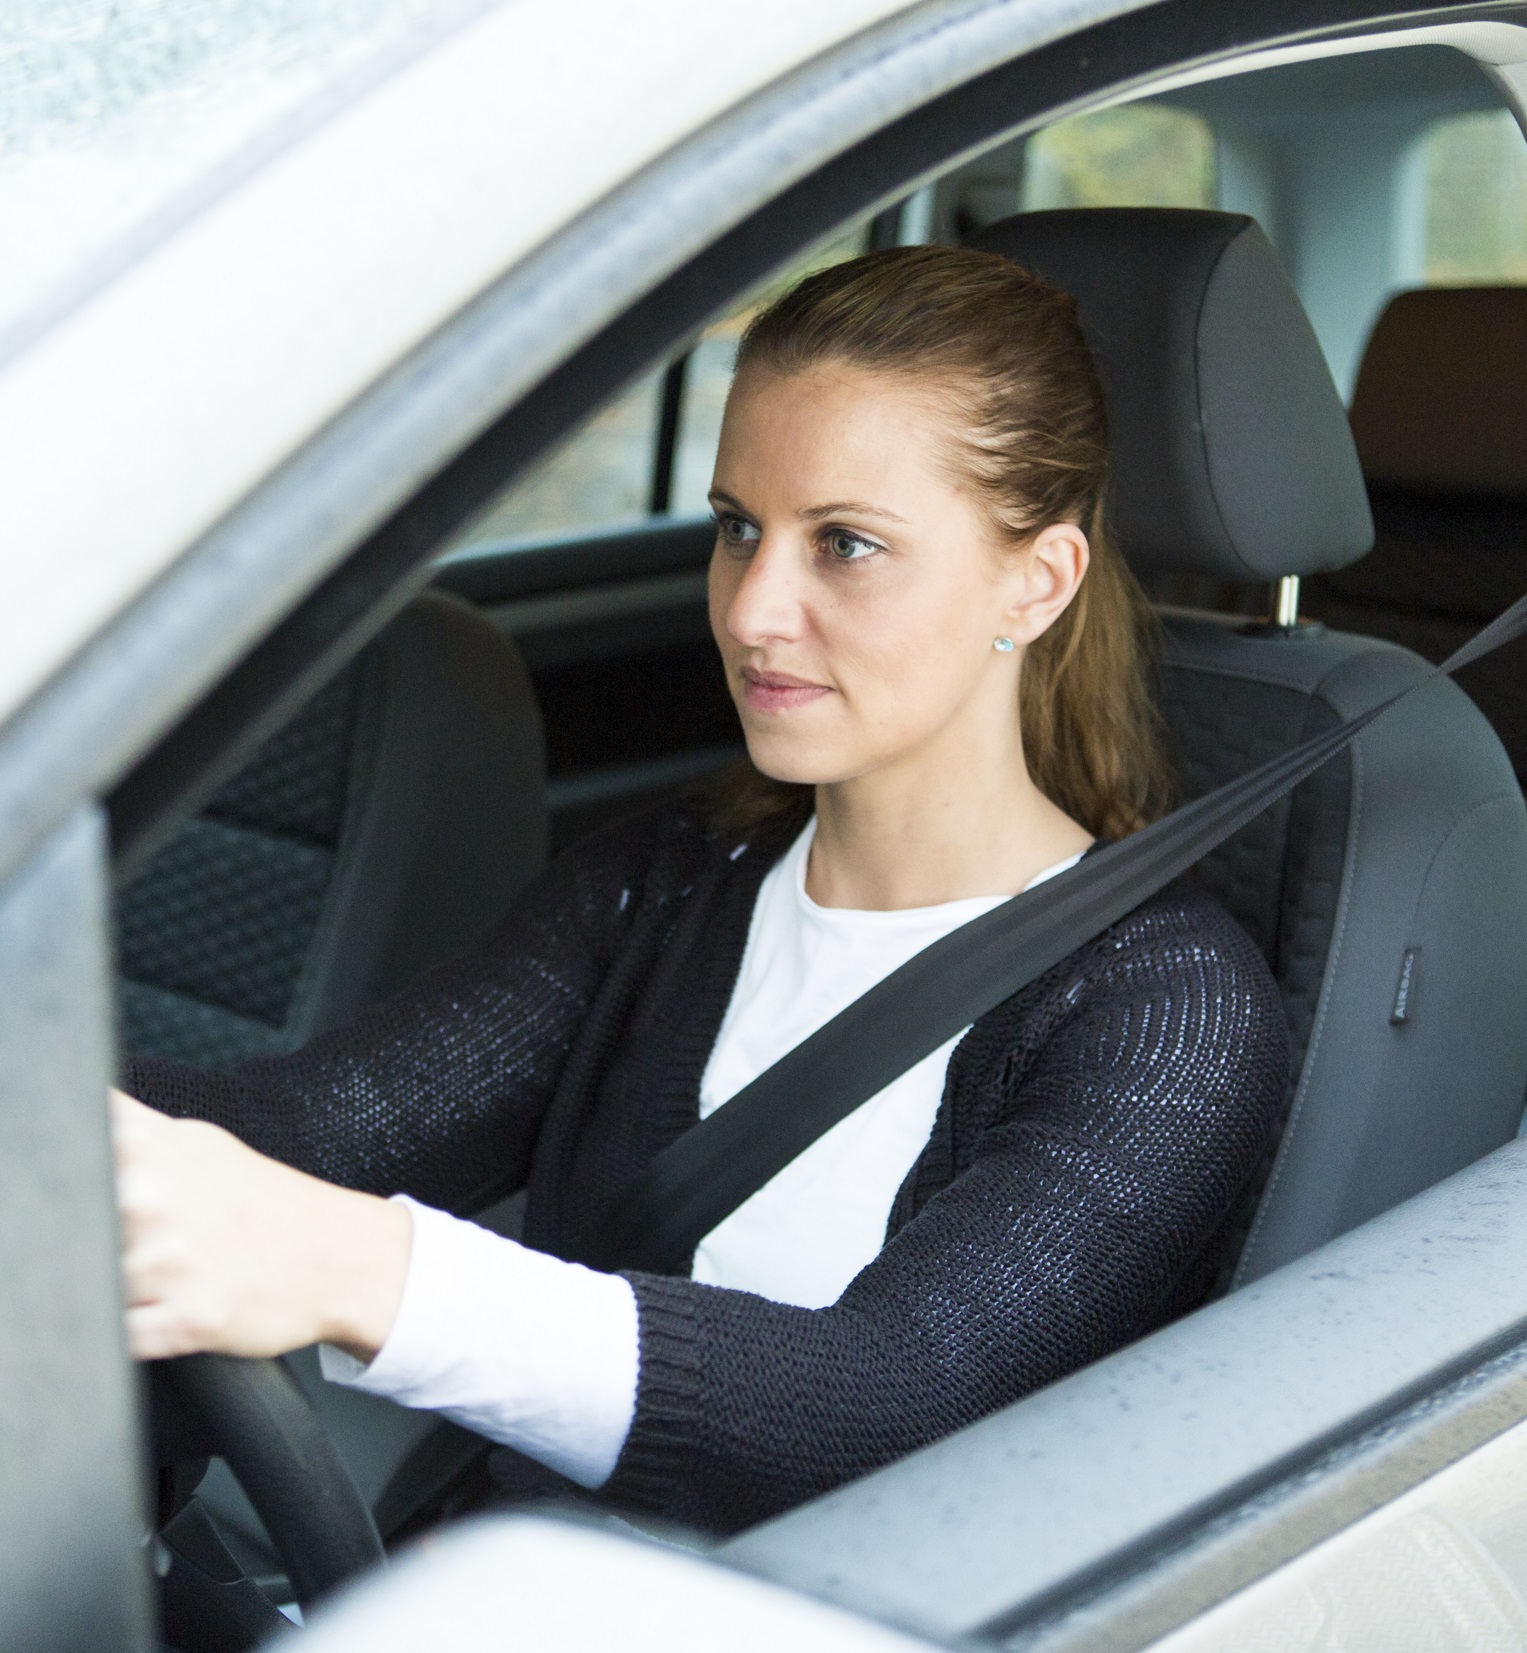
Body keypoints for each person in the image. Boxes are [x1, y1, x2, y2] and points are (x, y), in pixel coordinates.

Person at [111, 244, 1290, 1535]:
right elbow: (318, 1127)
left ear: (1039, 580)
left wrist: (365, 1272)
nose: (751, 610)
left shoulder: (1168, 1007)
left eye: (845, 544)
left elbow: (883, 1402)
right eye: (739, 528)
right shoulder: (667, 885)